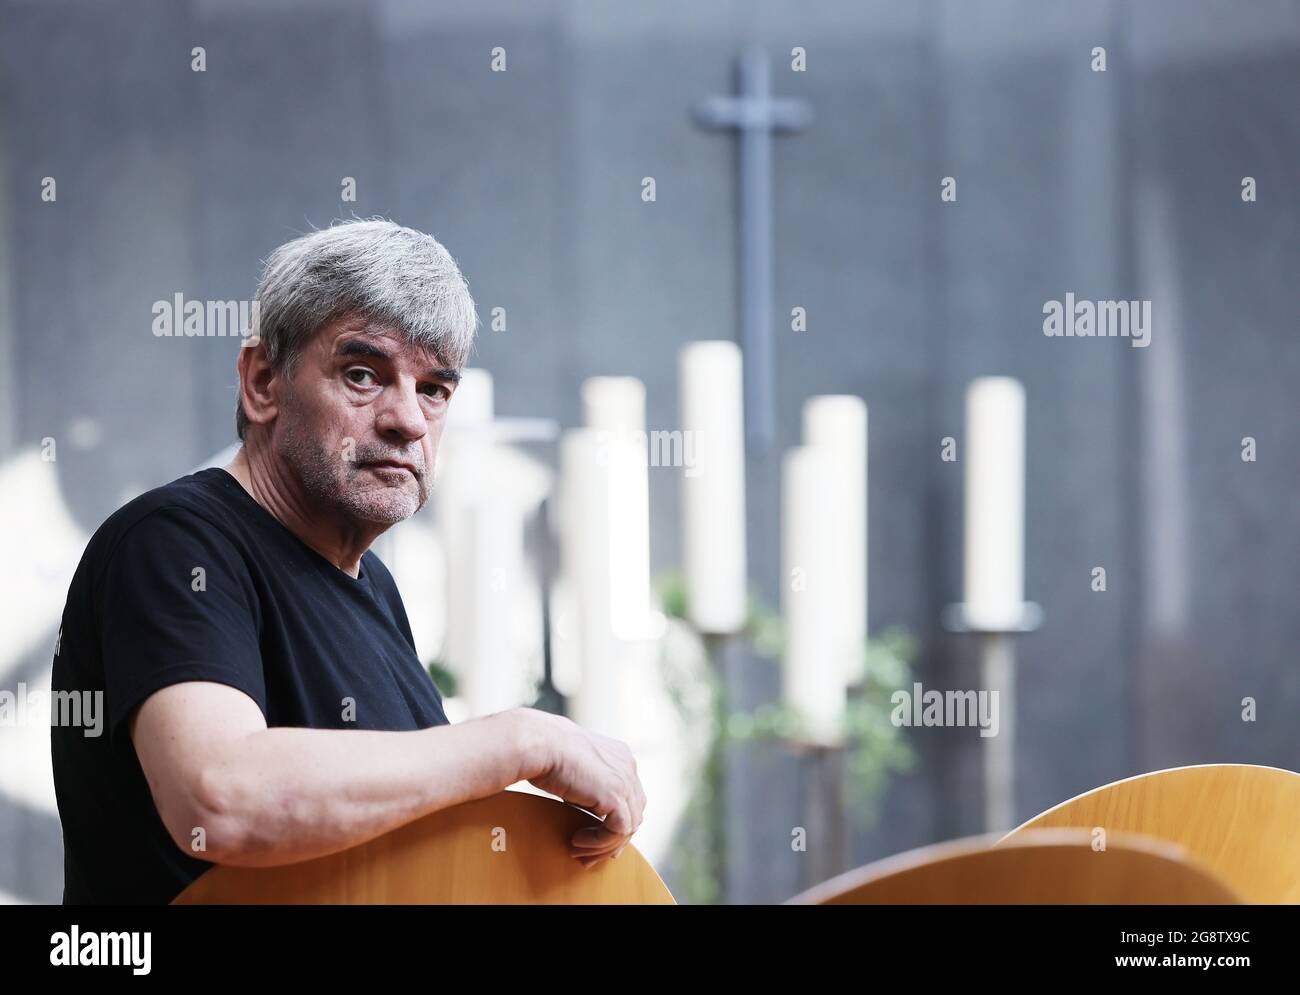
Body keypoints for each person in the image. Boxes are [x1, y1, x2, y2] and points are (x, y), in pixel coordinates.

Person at [50, 219, 645, 903]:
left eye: (434, 389)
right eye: (363, 374)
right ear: (263, 382)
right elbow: (218, 798)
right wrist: (518, 740)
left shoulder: (375, 590)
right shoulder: (173, 541)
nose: (409, 421)